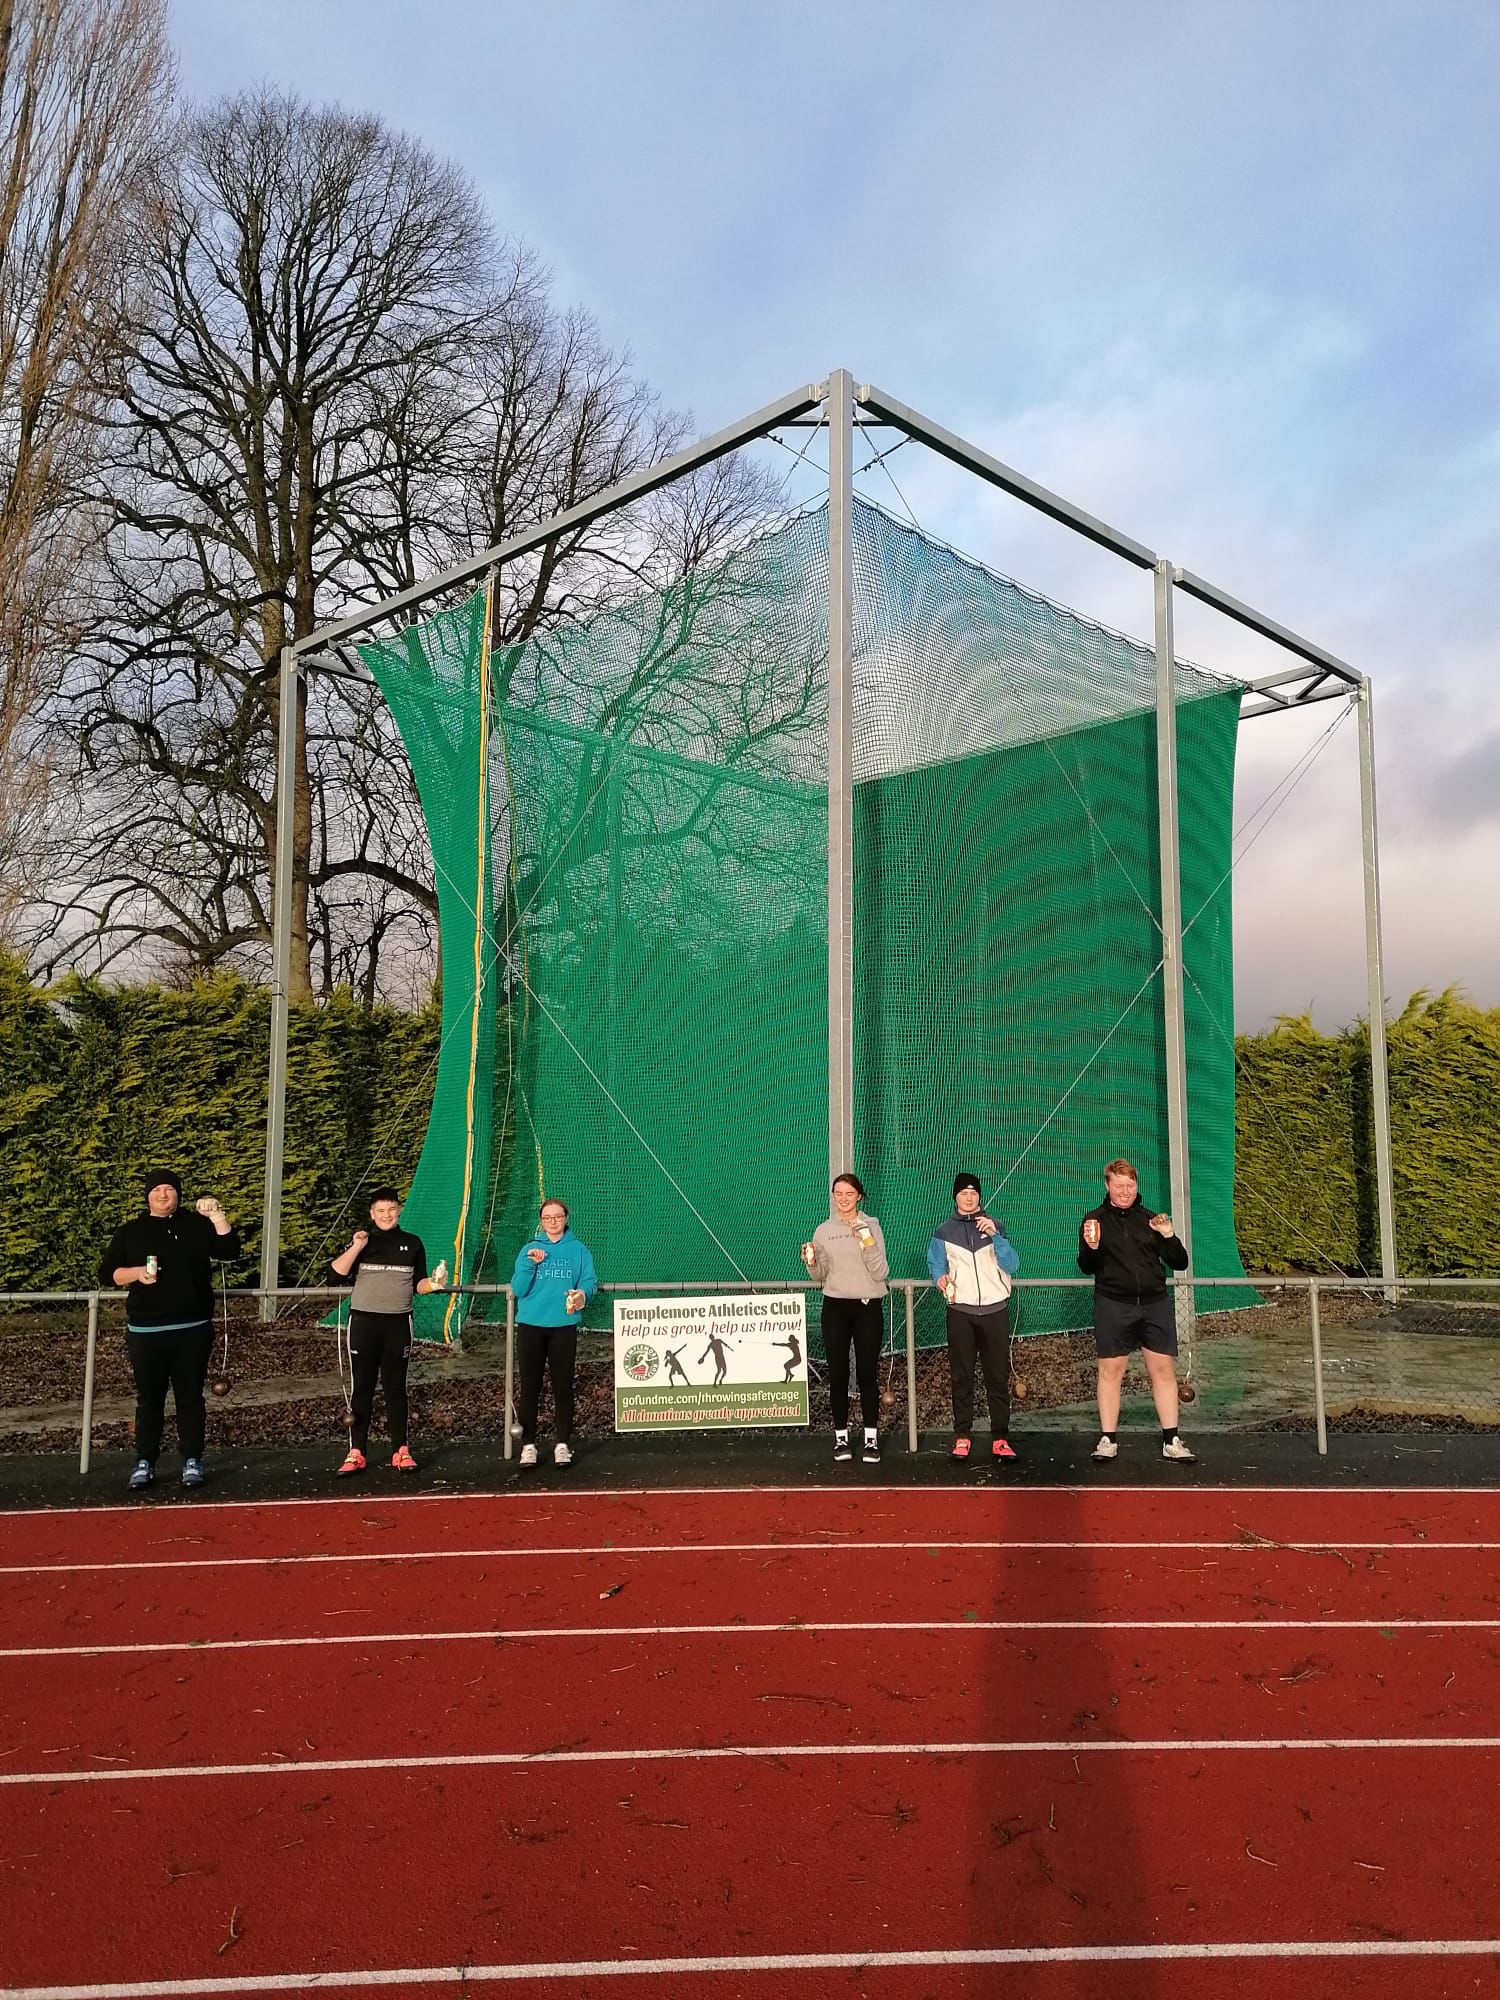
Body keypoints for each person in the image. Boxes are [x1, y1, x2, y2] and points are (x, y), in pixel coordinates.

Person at [99, 1170, 241, 1492]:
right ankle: (144, 1462)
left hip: (192, 1329)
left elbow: (230, 1251)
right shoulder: (131, 1232)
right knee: (149, 1400)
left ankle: (192, 1459)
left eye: (170, 1189)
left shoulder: (195, 1225)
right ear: (148, 1196)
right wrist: (136, 1273)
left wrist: (217, 1216)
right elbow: (108, 1273)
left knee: (190, 1398)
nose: (164, 1195)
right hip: (146, 1331)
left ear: (178, 1193)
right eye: (158, 1190)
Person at [1077, 1157, 1196, 1465]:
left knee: (1163, 1371)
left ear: (1136, 1185)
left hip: (1155, 1305)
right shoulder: (1094, 1221)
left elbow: (1180, 1262)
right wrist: (1092, 1247)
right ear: (1107, 1186)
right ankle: (1108, 1440)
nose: (1125, 1191)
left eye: (1130, 1185)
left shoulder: (1151, 1220)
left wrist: (1169, 1235)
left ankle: (1172, 1440)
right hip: (1114, 1305)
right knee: (1110, 1373)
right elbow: (1086, 1266)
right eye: (1119, 1186)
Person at [329, 1186, 445, 1477]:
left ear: (399, 1210)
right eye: (380, 1211)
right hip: (364, 1325)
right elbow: (335, 1275)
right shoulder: (364, 1242)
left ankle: (401, 1450)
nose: (386, 1215)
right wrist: (356, 1245)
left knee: (395, 1389)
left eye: (391, 1210)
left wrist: (433, 1284)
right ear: (372, 1214)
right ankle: (356, 1452)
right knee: (362, 1389)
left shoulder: (413, 1243)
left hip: (397, 1325)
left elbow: (419, 1284)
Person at [927, 1173, 1021, 1463]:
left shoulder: (997, 1226)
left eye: (974, 1193)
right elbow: (935, 1265)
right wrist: (939, 1278)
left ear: (980, 1196)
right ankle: (962, 1437)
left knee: (997, 1376)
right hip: (960, 1313)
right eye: (963, 1193)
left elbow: (1012, 1264)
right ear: (954, 1197)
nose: (969, 1198)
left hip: (995, 1311)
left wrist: (995, 1236)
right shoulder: (943, 1232)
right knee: (962, 1376)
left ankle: (1000, 1438)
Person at [801, 1173, 889, 1464]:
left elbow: (880, 1272)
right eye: (838, 1193)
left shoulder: (871, 1226)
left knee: (866, 1373)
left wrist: (866, 1241)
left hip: (867, 1306)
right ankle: (840, 1437)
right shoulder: (823, 1231)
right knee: (837, 1374)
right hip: (835, 1307)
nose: (843, 1198)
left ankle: (871, 1439)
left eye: (849, 1193)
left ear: (859, 1196)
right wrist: (811, 1261)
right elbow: (819, 1275)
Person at [512, 1198, 597, 1468]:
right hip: (530, 1327)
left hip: (563, 1328)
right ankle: (528, 1446)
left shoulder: (579, 1250)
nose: (552, 1221)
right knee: (530, 1388)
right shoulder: (530, 1249)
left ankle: (562, 1445)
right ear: (541, 1220)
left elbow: (588, 1282)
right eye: (547, 1217)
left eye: (557, 1216)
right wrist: (530, 1264)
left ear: (565, 1218)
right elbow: (518, 1289)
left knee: (563, 1387)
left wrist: (582, 1295)